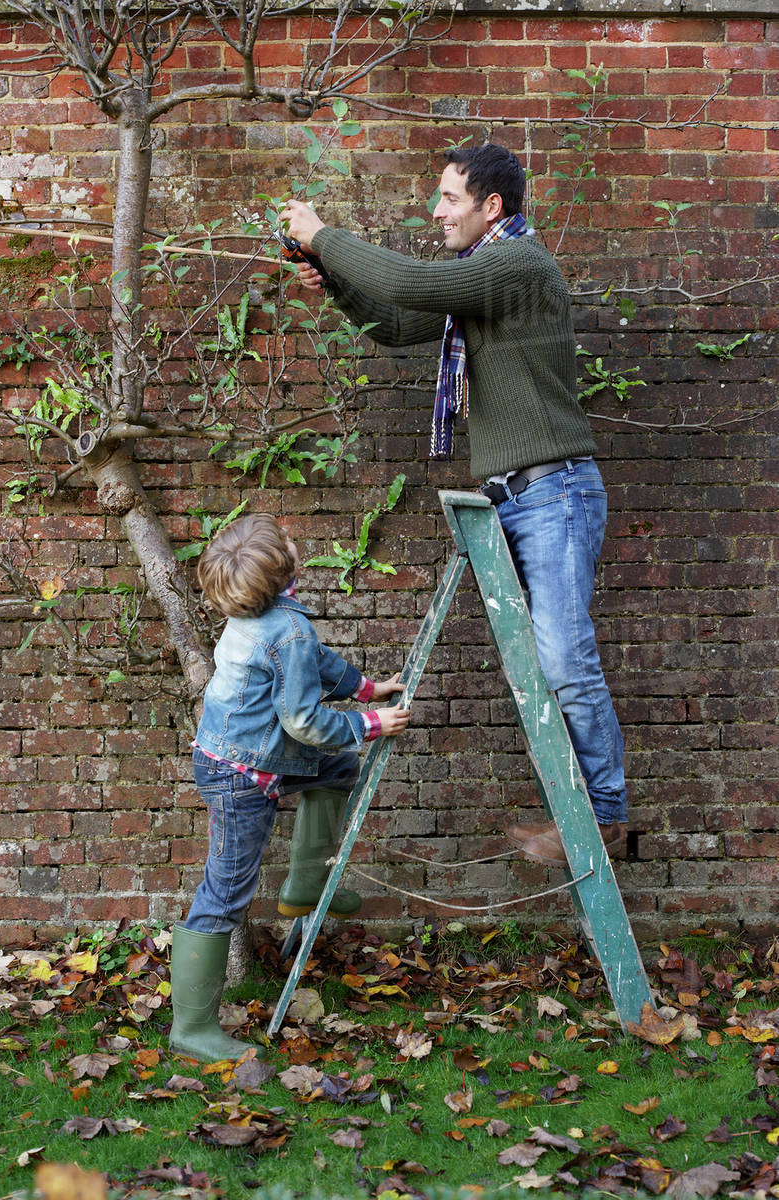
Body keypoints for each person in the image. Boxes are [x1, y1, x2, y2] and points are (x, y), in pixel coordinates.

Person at [281, 141, 627, 872]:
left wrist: (324, 236)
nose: (435, 213)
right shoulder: (482, 280)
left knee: (566, 664)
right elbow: (399, 322)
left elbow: (407, 283)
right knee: (544, 669)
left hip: (553, 491)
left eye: (448, 199)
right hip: (519, 497)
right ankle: (586, 816)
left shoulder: (519, 266)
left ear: (491, 206)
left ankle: (604, 819)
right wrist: (334, 280)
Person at [170, 512, 410, 1063]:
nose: (296, 542)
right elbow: (302, 720)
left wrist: (367, 687)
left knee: (336, 769)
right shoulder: (289, 628)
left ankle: (305, 883)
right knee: (226, 891)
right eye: (288, 542)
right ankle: (192, 1028)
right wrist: (369, 724)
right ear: (286, 568)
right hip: (241, 775)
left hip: (242, 754)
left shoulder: (266, 614)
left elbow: (314, 662)